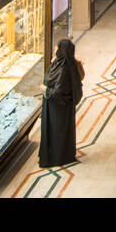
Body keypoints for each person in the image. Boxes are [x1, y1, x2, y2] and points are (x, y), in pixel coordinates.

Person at [38, 39, 84, 169]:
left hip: (58, 109)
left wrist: (45, 89)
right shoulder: (62, 64)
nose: (54, 50)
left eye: (56, 48)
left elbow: (58, 93)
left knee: (57, 131)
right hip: (57, 108)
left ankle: (57, 156)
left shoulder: (63, 69)